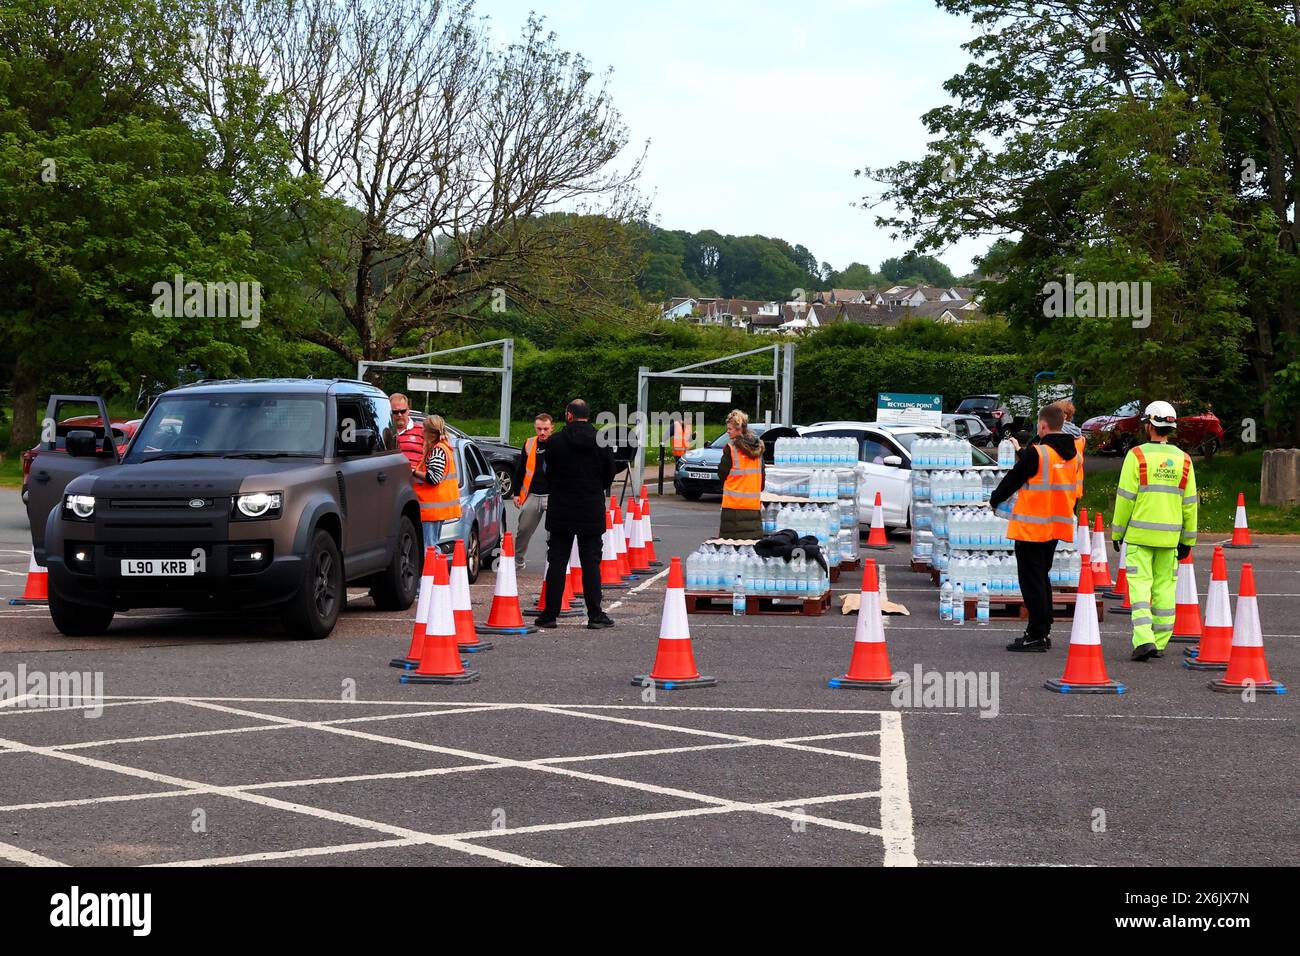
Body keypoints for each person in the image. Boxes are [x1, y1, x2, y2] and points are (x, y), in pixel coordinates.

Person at [1110, 401, 1198, 661]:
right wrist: (1188, 539)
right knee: (1165, 589)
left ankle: (1144, 640)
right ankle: (1159, 642)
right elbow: (1190, 503)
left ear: (1149, 426)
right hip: (1170, 538)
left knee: (1139, 588)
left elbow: (1125, 497)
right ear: (1170, 428)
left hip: (1139, 535)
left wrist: (1117, 532)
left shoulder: (1136, 455)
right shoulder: (1184, 459)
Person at [989, 403, 1080, 652]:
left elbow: (1012, 480)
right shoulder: (1075, 455)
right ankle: (1041, 630)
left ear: (1043, 425)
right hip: (1055, 527)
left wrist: (994, 499)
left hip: (1031, 527)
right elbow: (1076, 491)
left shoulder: (1037, 453)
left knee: (1032, 582)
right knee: (1042, 579)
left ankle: (1037, 634)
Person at [535, 399, 616, 630]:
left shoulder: (556, 441)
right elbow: (610, 473)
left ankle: (550, 614)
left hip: (561, 508)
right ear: (588, 416)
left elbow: (547, 471)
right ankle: (595, 614)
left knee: (557, 562)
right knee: (591, 563)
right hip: (590, 507)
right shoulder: (601, 441)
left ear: (569, 415)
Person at [512, 413, 553, 569]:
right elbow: (521, 469)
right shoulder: (529, 444)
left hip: (552, 495)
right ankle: (518, 560)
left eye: (546, 429)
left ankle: (553, 561)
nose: (542, 432)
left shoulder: (557, 443)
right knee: (523, 530)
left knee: (554, 532)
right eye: (539, 429)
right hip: (533, 494)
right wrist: (516, 493)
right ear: (535, 428)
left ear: (551, 428)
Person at [415, 415, 461, 550]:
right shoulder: (444, 448)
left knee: (429, 547)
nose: (422, 432)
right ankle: (435, 570)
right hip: (435, 509)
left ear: (432, 434)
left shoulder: (438, 450)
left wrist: (414, 472)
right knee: (431, 546)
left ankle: (433, 571)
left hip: (432, 509)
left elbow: (434, 478)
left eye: (424, 430)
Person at [717, 409, 765, 539]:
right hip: (753, 507)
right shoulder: (758, 450)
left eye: (730, 429)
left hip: (733, 508)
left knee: (731, 549)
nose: (728, 431)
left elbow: (722, 473)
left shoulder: (731, 449)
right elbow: (762, 482)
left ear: (739, 429)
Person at [390, 393, 422, 474]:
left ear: (408, 410)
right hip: (390, 482)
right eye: (395, 412)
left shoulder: (422, 431)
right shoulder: (384, 432)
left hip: (415, 484)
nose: (399, 415)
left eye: (403, 411)